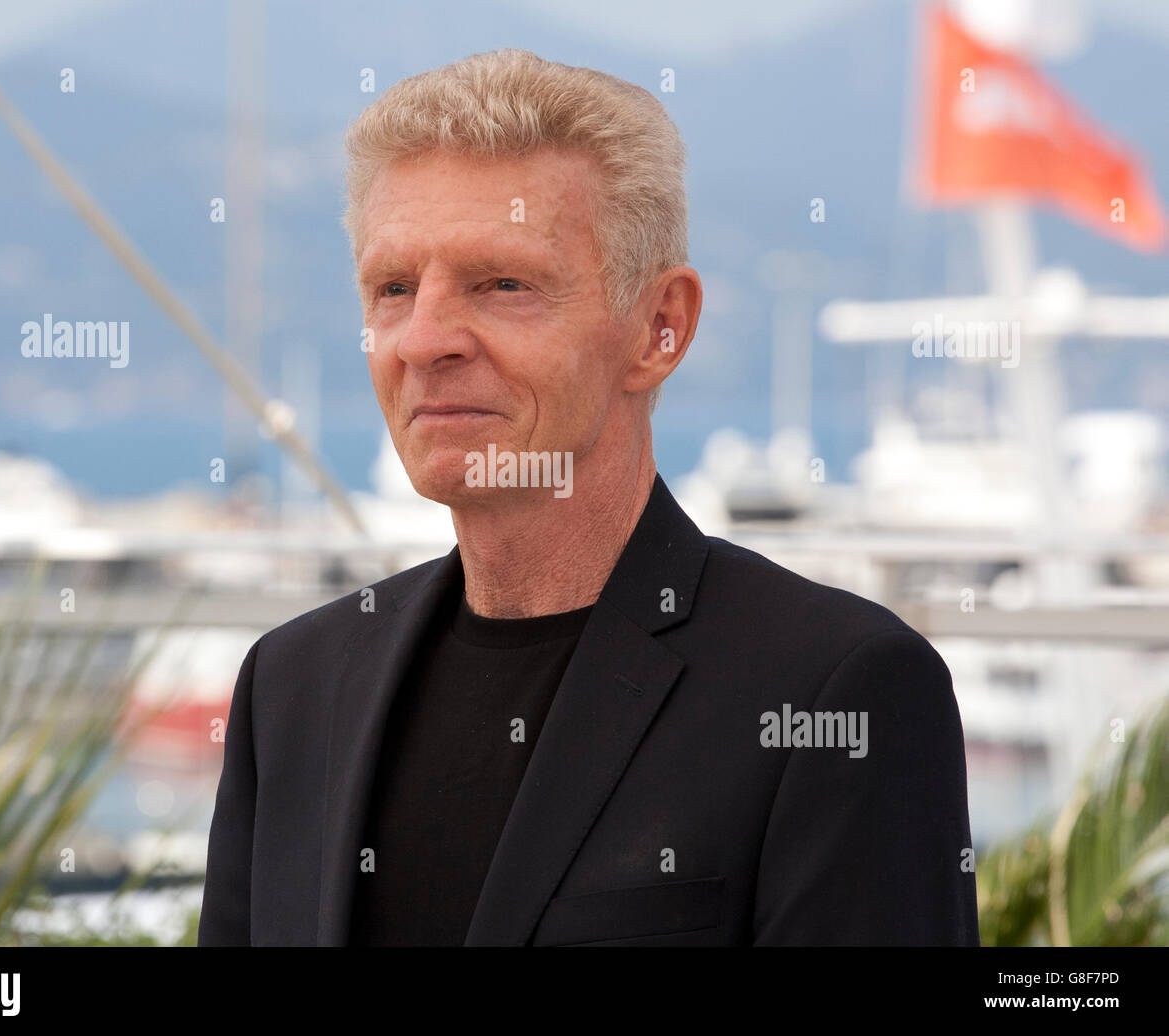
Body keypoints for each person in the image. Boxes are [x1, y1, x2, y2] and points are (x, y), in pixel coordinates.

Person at [198, 48, 979, 946]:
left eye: (504, 284)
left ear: (660, 328)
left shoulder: (839, 687)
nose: (425, 339)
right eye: (394, 288)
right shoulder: (294, 684)